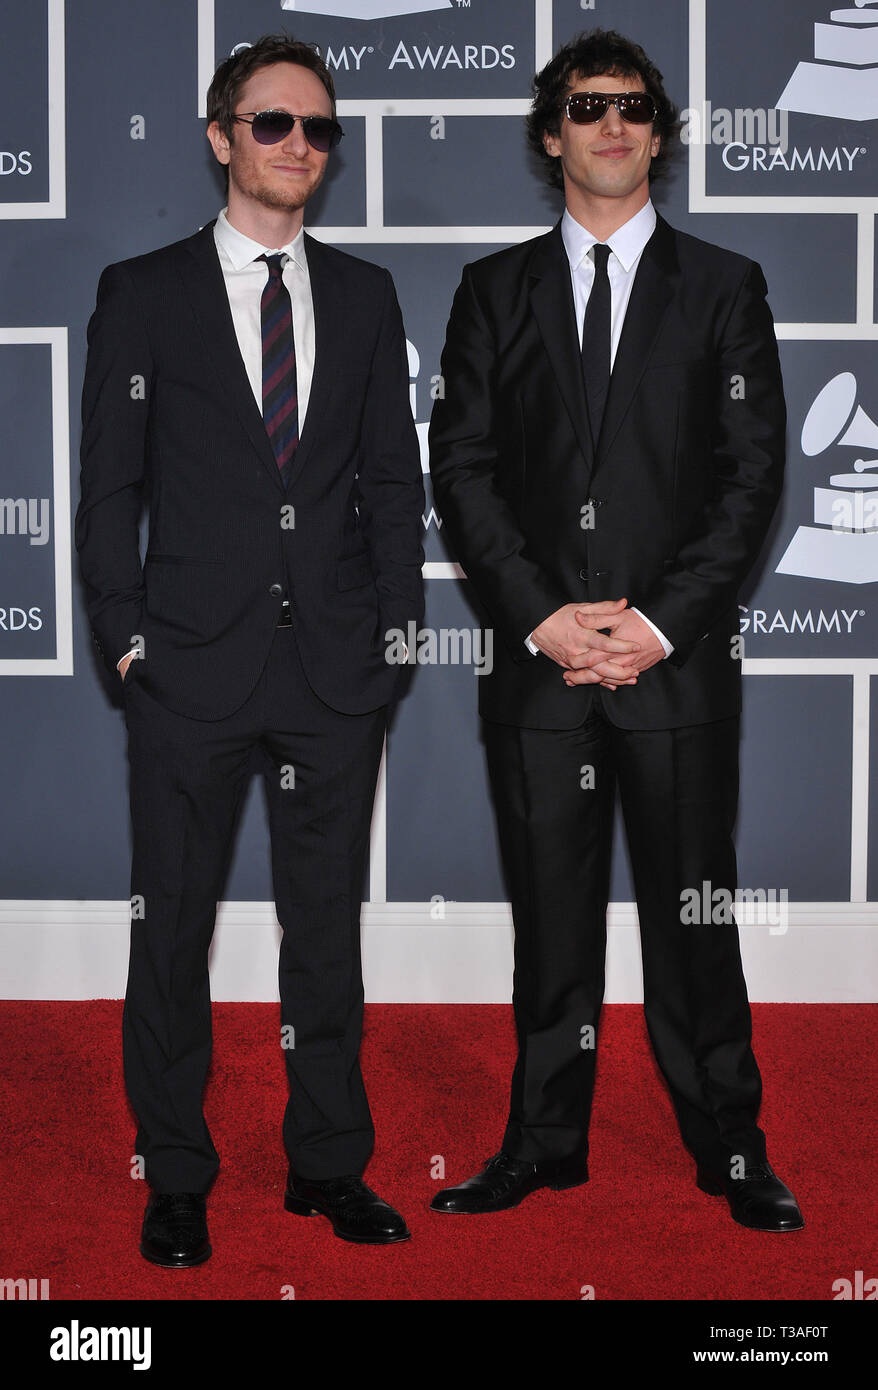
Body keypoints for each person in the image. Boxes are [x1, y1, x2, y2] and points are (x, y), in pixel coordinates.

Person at [428, 28, 803, 1232]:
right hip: (541, 669)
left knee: (695, 918)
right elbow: (464, 468)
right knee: (550, 923)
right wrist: (542, 616)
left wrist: (652, 624)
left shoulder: (724, 286)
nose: (611, 124)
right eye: (585, 105)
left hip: (673, 666)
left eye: (634, 107)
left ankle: (729, 1146)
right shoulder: (492, 289)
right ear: (551, 133)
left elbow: (748, 479)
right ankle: (542, 1144)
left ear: (658, 132)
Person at [76, 34, 424, 1265]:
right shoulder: (144, 292)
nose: (298, 147)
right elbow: (107, 492)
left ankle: (327, 1164)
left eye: (319, 129)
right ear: (222, 137)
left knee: (323, 927)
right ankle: (175, 1172)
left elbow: (393, 479)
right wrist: (123, 641)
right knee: (171, 924)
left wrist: (393, 637)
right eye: (273, 123)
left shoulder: (371, 295)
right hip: (186, 666)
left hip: (334, 671)